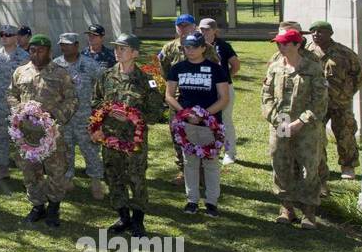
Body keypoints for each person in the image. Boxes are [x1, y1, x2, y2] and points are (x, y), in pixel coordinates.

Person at [92, 33, 167, 237]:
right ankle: (123, 216)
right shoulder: (106, 76)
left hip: (134, 141)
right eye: (116, 48)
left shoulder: (146, 81)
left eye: (122, 48)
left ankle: (138, 220)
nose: (117, 52)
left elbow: (155, 113)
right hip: (110, 139)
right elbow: (95, 102)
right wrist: (106, 112)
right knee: (113, 177)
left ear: (135, 52)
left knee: (136, 178)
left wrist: (132, 116)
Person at [8, 35, 78, 229]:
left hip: (52, 134)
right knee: (30, 172)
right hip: (27, 134)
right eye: (32, 50)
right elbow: (12, 94)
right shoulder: (20, 72)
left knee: (56, 171)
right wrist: (19, 111)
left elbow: (72, 99)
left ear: (49, 51)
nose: (36, 53)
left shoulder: (60, 73)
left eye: (40, 50)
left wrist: (54, 116)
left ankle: (54, 207)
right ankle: (37, 206)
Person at [262, 27, 329, 228]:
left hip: (306, 126)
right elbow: (266, 96)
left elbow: (320, 101)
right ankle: (286, 207)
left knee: (309, 166)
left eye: (284, 43)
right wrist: (277, 120)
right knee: (281, 162)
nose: (280, 47)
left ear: (297, 44)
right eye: (278, 43)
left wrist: (300, 121)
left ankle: (309, 212)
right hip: (280, 122)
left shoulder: (312, 68)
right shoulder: (275, 67)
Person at [165, 32, 231, 217]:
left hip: (210, 124)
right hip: (186, 124)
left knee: (210, 164)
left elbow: (224, 98)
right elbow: (169, 95)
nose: (190, 50)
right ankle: (192, 200)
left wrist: (204, 115)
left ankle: (212, 202)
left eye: (194, 47)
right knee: (190, 163)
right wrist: (184, 113)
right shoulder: (177, 68)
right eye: (187, 47)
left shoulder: (215, 69)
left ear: (203, 48)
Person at [158, 13, 219, 180]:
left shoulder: (205, 47)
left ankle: (203, 170)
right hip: (178, 101)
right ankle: (184, 170)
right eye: (180, 25)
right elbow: (164, 71)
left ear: (195, 27)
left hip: (202, 99)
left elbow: (216, 70)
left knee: (202, 133)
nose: (183, 28)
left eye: (186, 25)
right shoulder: (169, 48)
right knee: (178, 135)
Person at [307, 20, 362, 183]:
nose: (316, 34)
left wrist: (348, 92)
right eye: (313, 32)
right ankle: (319, 166)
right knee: (316, 134)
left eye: (320, 31)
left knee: (345, 133)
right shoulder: (307, 52)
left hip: (340, 102)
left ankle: (348, 166)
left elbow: (360, 73)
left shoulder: (344, 53)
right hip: (318, 102)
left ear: (330, 33)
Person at [54, 31, 106, 200]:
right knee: (65, 150)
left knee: (90, 150)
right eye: (62, 44)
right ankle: (68, 179)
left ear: (77, 45)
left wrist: (99, 113)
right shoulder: (56, 65)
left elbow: (102, 87)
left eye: (68, 44)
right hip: (65, 118)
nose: (65, 47)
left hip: (85, 117)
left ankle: (96, 182)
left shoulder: (90, 64)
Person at [0, 25, 30, 181]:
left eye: (8, 34)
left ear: (16, 37)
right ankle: (2, 169)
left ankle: (28, 172)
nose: (4, 37)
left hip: (18, 108)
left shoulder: (24, 57)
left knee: (23, 140)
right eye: (2, 34)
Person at [199, 17, 240, 163]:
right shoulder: (197, 46)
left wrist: (225, 78)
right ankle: (210, 149)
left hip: (223, 89)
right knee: (206, 120)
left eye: (207, 29)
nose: (204, 32)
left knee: (225, 120)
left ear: (215, 30)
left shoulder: (223, 46)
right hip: (204, 90)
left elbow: (235, 65)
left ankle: (230, 152)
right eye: (201, 29)